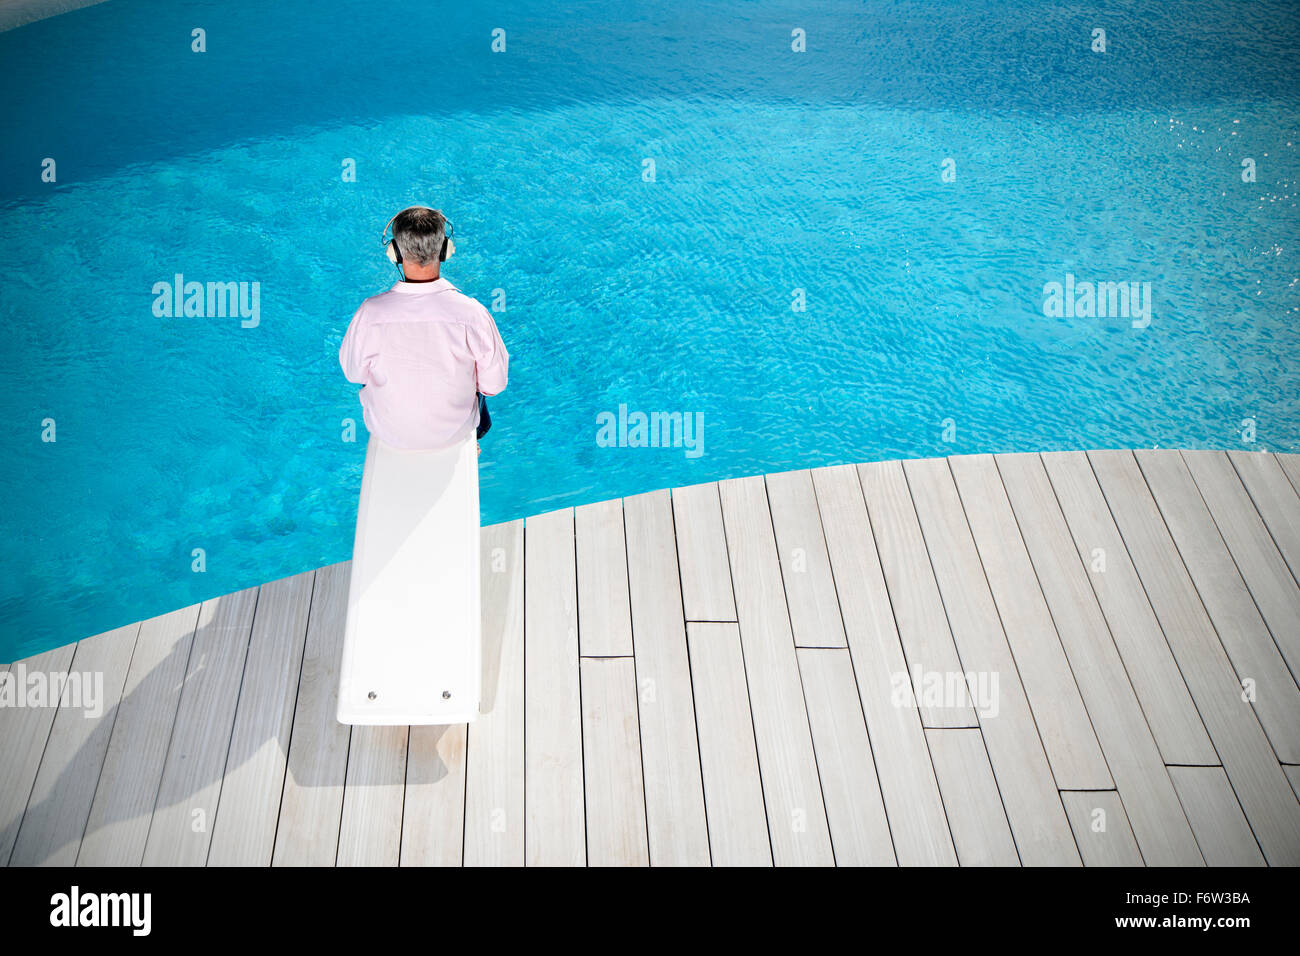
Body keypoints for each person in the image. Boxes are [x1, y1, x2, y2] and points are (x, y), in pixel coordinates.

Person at [340, 206, 507, 456]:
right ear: (444, 251)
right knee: (478, 382)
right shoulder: (472, 313)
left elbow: (354, 374)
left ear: (394, 253)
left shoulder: (369, 313)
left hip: (390, 433)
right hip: (454, 433)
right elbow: (494, 384)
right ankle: (470, 440)